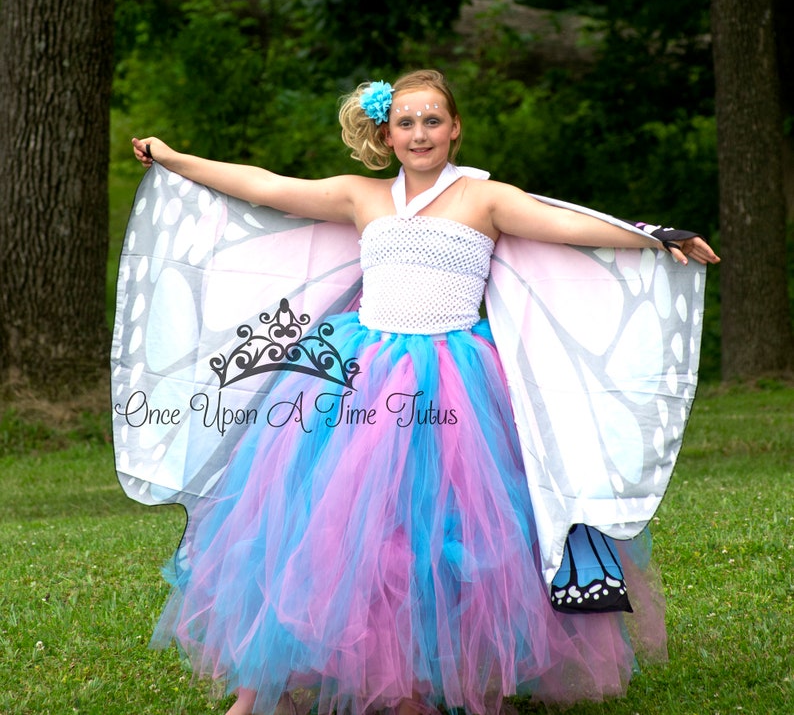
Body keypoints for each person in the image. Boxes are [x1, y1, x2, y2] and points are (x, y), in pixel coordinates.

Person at [130, 68, 718, 715]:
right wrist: (174, 157)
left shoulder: (483, 199)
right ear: (388, 131)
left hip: (455, 385)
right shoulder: (363, 196)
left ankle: (414, 684)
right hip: (363, 377)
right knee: (323, 528)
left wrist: (649, 236)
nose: (420, 132)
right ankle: (271, 683)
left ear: (454, 127)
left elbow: (564, 225)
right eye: (406, 121)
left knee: (432, 538)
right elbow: (269, 187)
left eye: (432, 119)